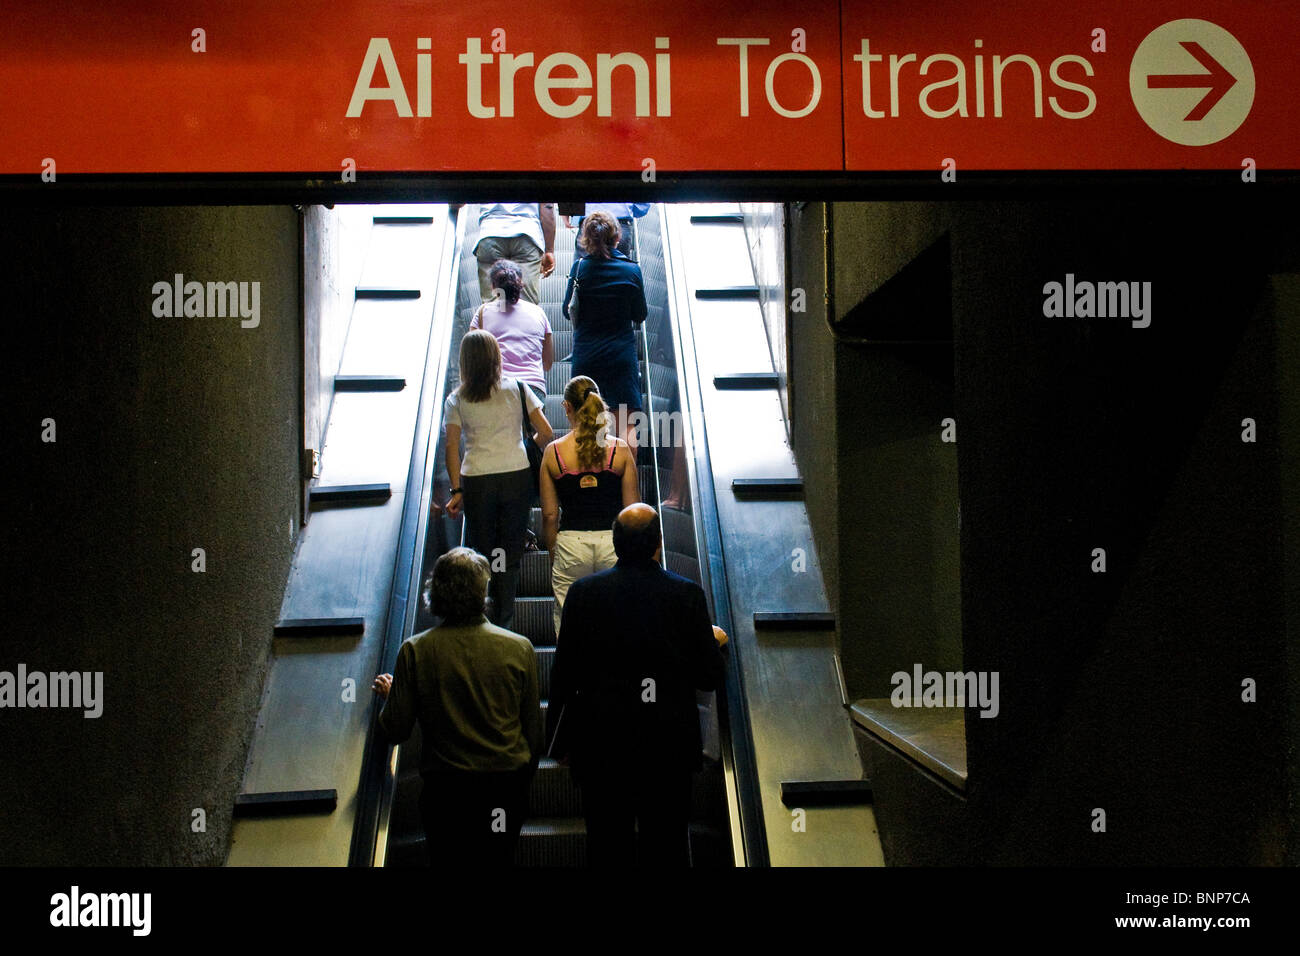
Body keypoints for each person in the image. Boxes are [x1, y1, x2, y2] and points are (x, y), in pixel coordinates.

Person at [548, 504, 726, 867]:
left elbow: (564, 671)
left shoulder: (583, 594)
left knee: (606, 846)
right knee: (666, 845)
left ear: (614, 543)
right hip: (668, 749)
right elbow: (708, 676)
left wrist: (559, 740)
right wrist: (715, 645)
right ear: (658, 542)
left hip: (601, 746)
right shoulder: (686, 595)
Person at [372, 547, 542, 868]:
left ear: (436, 592)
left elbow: (396, 728)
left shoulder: (416, 651)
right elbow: (532, 733)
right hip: (504, 787)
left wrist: (395, 694)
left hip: (447, 793)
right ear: (483, 590)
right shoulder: (519, 648)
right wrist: (520, 782)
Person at [444, 330, 553, 631]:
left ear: (465, 361)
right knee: (509, 552)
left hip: (477, 480)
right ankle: (504, 623)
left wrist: (456, 490)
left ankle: (479, 619)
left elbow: (452, 446)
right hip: (515, 478)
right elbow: (546, 434)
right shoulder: (518, 388)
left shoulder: (457, 400)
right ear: (496, 357)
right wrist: (524, 444)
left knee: (481, 551)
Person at [539, 376, 639, 637]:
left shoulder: (553, 453)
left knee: (570, 622)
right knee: (617, 620)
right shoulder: (620, 450)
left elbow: (550, 515)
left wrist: (555, 552)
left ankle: (574, 676)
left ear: (567, 408)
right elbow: (633, 512)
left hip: (571, 544)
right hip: (613, 544)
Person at [563, 211, 648, 451]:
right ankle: (628, 481)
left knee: (584, 425)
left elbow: (565, 310)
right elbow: (640, 315)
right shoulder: (632, 271)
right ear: (617, 237)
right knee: (626, 426)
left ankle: (587, 481)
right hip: (621, 356)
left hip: (587, 358)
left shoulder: (579, 269)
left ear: (585, 239)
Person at [471, 258, 553, 405]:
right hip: (533, 390)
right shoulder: (538, 313)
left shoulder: (483, 312)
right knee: (533, 428)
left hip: (497, 387)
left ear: (493, 286)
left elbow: (472, 356)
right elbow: (547, 364)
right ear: (520, 284)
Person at [472, 203, 556, 306]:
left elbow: (458, 201)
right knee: (526, 304)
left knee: (492, 305)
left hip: (491, 232)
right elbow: (547, 206)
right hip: (526, 235)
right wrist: (549, 250)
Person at [564, 202, 651, 260]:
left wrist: (567, 211)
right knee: (620, 272)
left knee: (583, 273)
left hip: (589, 224)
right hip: (620, 224)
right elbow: (642, 206)